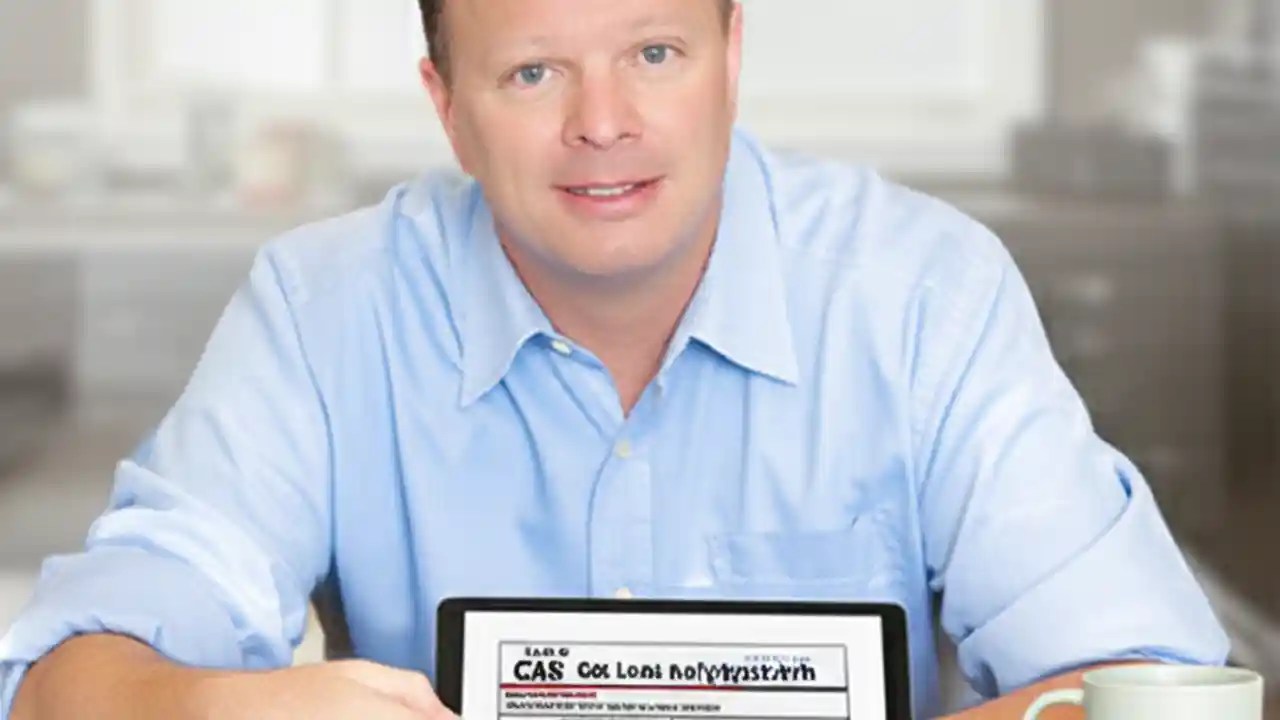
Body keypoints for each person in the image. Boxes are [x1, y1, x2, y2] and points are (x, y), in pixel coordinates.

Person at [0, 0, 1228, 718]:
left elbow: (1153, 693)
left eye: (652, 53)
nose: (602, 125)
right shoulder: (327, 308)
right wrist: (210, 711)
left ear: (730, 56)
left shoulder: (919, 293)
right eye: (532, 72)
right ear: (447, 107)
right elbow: (62, 676)